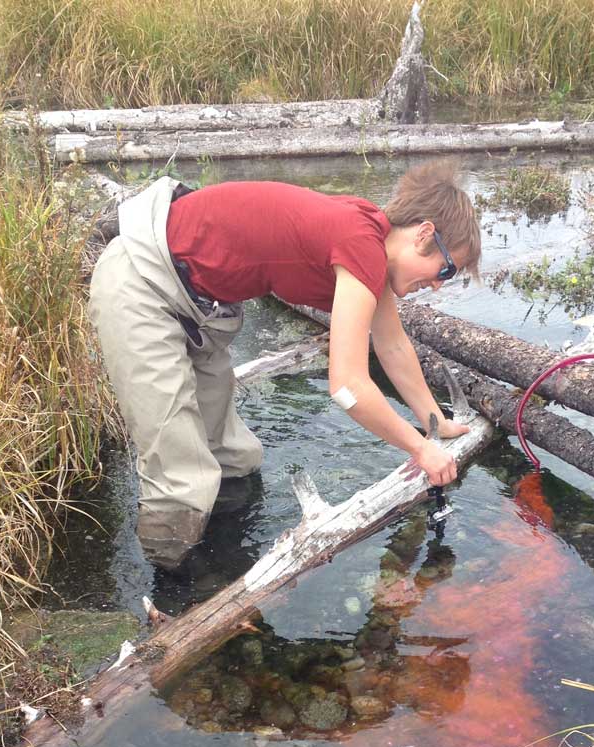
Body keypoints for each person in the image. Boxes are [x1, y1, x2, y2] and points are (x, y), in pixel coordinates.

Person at [88, 163, 482, 571]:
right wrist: (420, 448)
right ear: (423, 234)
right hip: (143, 283)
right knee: (184, 482)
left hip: (200, 306)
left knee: (235, 459)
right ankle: (175, 590)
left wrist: (436, 422)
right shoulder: (361, 243)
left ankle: (224, 561)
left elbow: (392, 344)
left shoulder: (371, 243)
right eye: (446, 270)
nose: (438, 285)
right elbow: (347, 386)